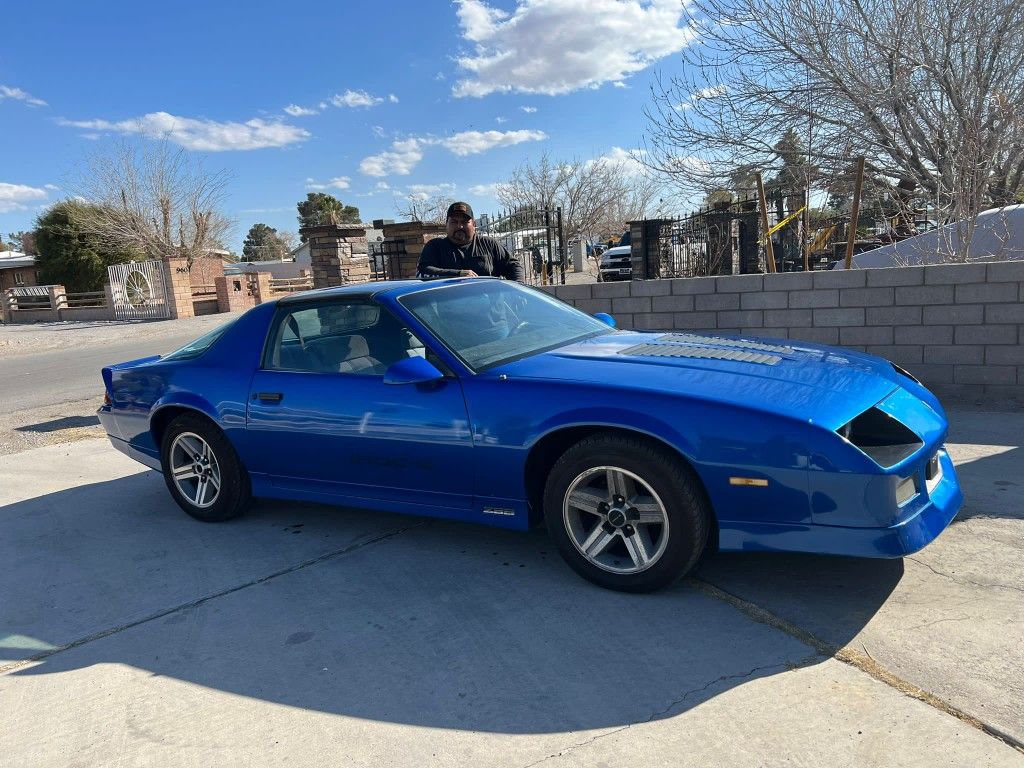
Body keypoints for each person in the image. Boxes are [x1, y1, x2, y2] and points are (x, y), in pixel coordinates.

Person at [417, 202, 524, 281]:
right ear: (446, 225)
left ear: (474, 225)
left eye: (465, 222)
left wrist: (518, 291)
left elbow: (513, 266)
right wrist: (457, 275)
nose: (459, 226)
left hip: (492, 310)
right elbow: (423, 272)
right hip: (452, 311)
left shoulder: (489, 244)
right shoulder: (435, 246)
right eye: (454, 222)